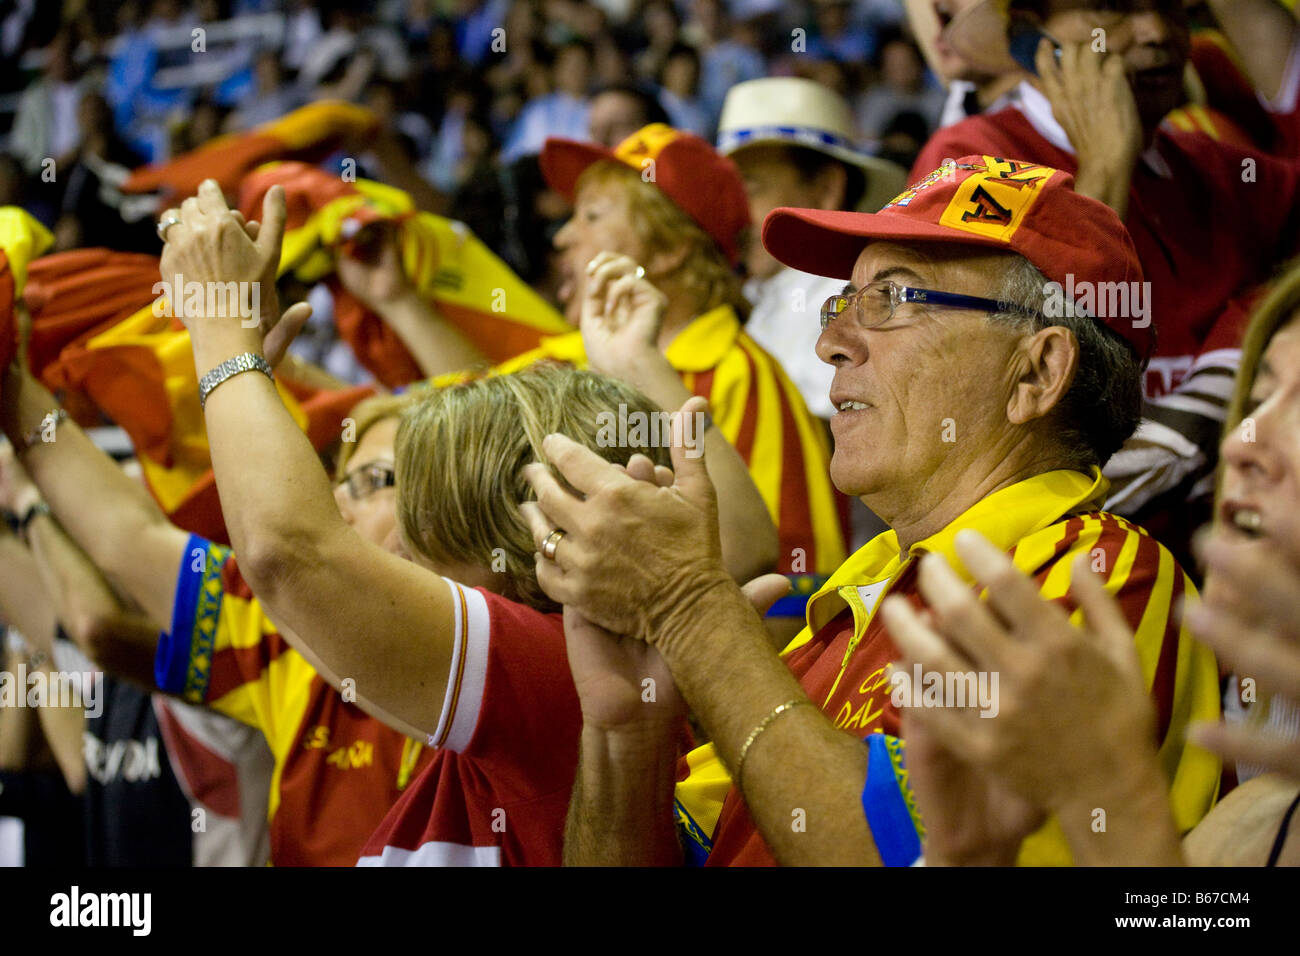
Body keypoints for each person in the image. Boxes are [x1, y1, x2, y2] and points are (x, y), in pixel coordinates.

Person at [519, 155, 1220, 866]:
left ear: (1036, 372)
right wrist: (626, 735)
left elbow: (913, 859)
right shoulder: (849, 605)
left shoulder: (1099, 577)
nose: (830, 344)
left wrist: (691, 610)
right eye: (842, 303)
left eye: (894, 299)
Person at [153, 178, 691, 864]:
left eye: (415, 498)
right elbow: (291, 581)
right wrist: (245, 367)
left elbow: (288, 556)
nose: (389, 532)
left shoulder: (560, 659)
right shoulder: (560, 662)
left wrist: (222, 337)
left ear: (509, 530)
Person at [886, 261, 1300, 866]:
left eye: (898, 300)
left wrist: (1111, 795)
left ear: (1040, 371)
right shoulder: (1260, 814)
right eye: (1259, 399)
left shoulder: (1109, 567)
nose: (1240, 442)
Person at [0, 315, 439, 864]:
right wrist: (10, 382)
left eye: (373, 481)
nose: (338, 505)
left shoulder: (510, 649)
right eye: (340, 483)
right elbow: (127, 535)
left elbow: (103, 625)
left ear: (447, 513)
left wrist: (229, 346)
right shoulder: (290, 650)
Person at [910, 0, 1300, 561]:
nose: (1156, 32)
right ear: (1031, 40)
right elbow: (1014, 382)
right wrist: (1105, 166)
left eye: (1172, 6)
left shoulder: (1219, 171)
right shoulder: (970, 161)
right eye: (1112, 7)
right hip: (1063, 587)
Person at [715, 77, 906, 420]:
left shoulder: (856, 305)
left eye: (751, 190)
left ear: (826, 188)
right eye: (725, 194)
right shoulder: (754, 291)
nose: (733, 213)